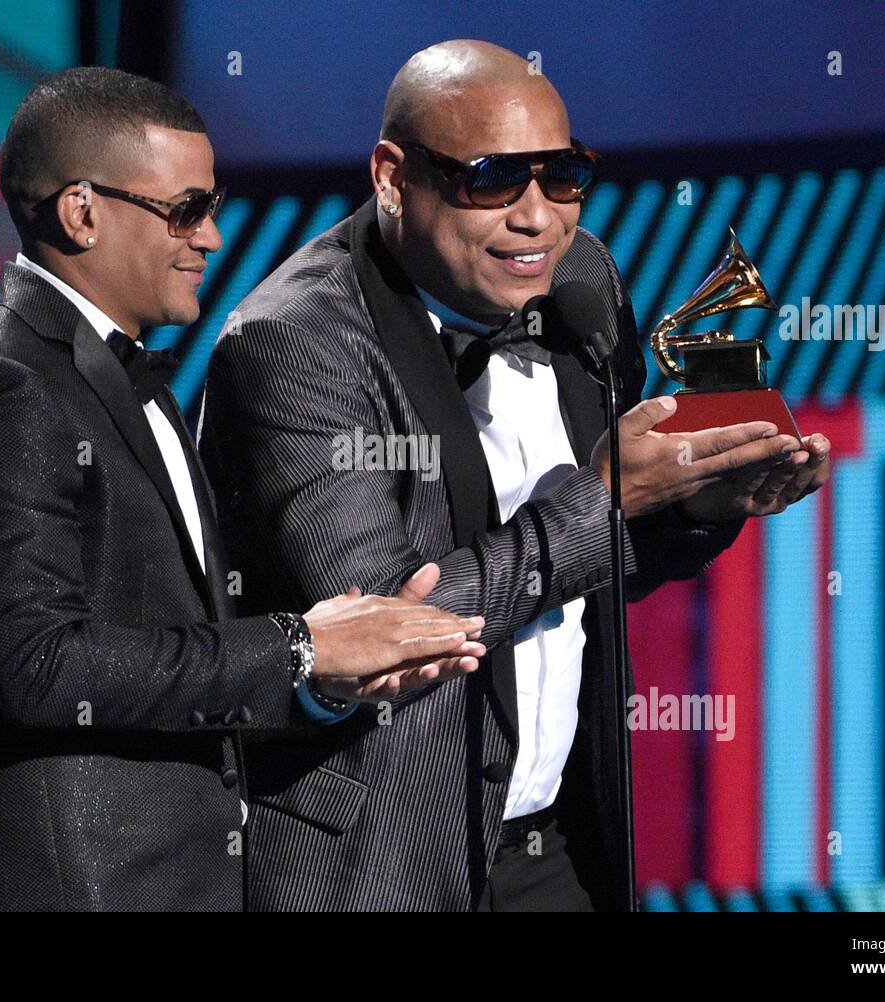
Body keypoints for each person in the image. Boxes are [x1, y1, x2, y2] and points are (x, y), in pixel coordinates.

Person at [198, 41, 831, 911]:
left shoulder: (580, 282)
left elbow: (586, 564)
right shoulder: (295, 344)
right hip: (381, 862)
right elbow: (394, 630)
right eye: (493, 180)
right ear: (392, 176)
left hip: (550, 846)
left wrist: (689, 509)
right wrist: (605, 500)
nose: (538, 219)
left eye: (563, 176)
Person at [0, 66, 484, 911]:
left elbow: (177, 645)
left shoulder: (125, 376)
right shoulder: (2, 389)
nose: (210, 237)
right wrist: (299, 647)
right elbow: (39, 666)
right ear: (82, 212)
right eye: (185, 210)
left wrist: (319, 683)